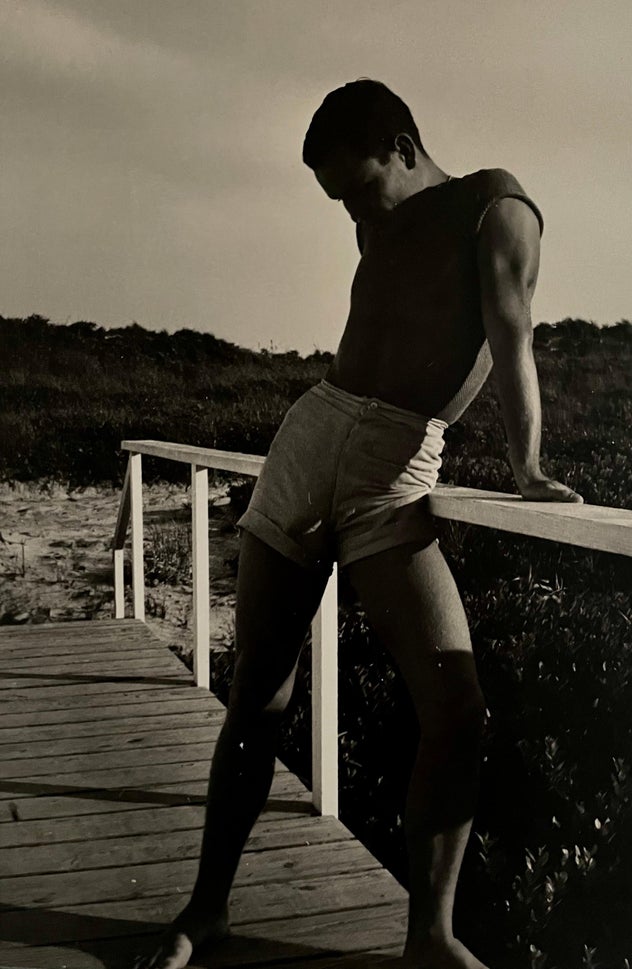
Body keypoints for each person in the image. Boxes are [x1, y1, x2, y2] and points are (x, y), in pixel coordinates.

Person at [135, 79, 582, 969]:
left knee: (456, 709)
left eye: (360, 187)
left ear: (406, 146)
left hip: (394, 466)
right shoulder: (371, 215)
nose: (353, 210)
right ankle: (205, 907)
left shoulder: (498, 207)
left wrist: (528, 466)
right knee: (258, 694)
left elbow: (511, 332)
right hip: (312, 439)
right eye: (335, 198)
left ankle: (431, 934)